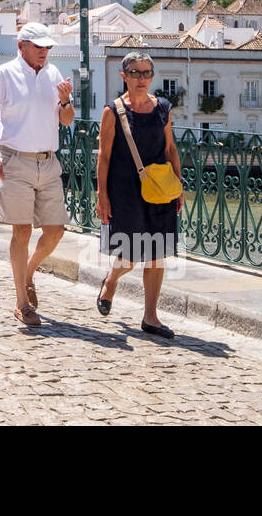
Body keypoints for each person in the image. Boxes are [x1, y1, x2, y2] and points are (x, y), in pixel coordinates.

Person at [0, 22, 75, 327]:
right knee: (21, 231)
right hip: (15, 161)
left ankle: (29, 272)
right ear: (22, 46)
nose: (44, 53)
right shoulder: (5, 73)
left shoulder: (55, 75)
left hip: (49, 161)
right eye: (38, 47)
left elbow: (67, 121)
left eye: (47, 48)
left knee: (56, 230)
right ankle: (21, 303)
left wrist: (66, 100)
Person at [95, 51, 184, 339]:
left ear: (152, 76)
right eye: (135, 73)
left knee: (157, 255)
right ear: (124, 77)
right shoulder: (113, 111)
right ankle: (111, 280)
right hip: (127, 191)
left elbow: (170, 149)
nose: (141, 78)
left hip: (161, 189)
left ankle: (151, 317)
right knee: (131, 255)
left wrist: (179, 186)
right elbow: (105, 157)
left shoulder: (163, 108)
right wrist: (102, 195)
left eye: (146, 73)